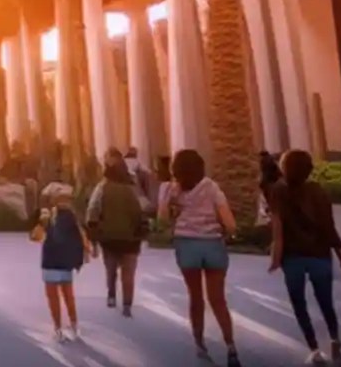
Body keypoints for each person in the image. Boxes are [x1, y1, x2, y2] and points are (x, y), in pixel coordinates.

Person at [269, 150, 341, 365]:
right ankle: (335, 341)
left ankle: (314, 350)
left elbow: (277, 230)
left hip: (292, 257)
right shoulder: (318, 191)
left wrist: (275, 258)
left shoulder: (277, 191)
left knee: (299, 303)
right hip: (320, 255)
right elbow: (329, 226)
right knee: (326, 302)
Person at [159, 149, 240, 367]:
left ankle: (200, 344)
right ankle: (230, 347)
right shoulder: (211, 188)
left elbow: (162, 218)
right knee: (218, 299)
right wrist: (226, 233)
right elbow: (230, 224)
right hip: (213, 245)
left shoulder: (172, 190)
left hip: (186, 246)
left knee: (195, 297)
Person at [86, 158, 145, 316]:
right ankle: (127, 304)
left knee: (110, 268)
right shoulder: (132, 189)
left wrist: (94, 235)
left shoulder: (102, 188)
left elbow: (93, 211)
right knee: (128, 273)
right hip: (131, 239)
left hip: (109, 237)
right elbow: (141, 211)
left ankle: (111, 295)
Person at [33, 183, 89, 342]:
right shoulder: (72, 216)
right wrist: (84, 253)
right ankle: (73, 325)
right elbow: (82, 238)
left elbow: (35, 237)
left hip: (51, 260)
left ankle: (59, 327)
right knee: (67, 295)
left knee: (55, 297)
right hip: (65, 261)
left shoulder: (49, 215)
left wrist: (42, 224)